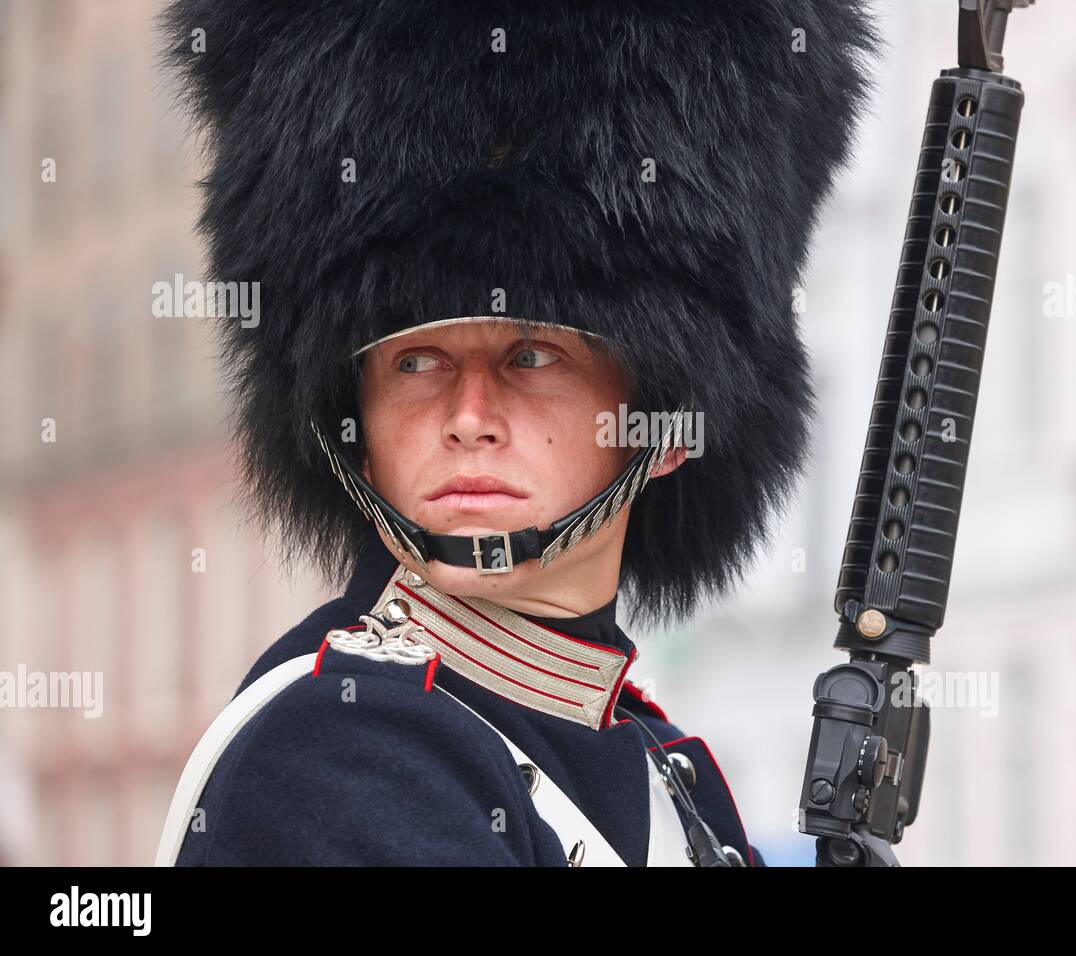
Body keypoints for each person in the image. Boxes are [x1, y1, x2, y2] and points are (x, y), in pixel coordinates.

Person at [154, 0, 878, 866]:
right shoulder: (334, 750)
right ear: (354, 425)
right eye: (416, 363)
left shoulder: (667, 774)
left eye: (531, 358)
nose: (467, 420)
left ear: (670, 421)